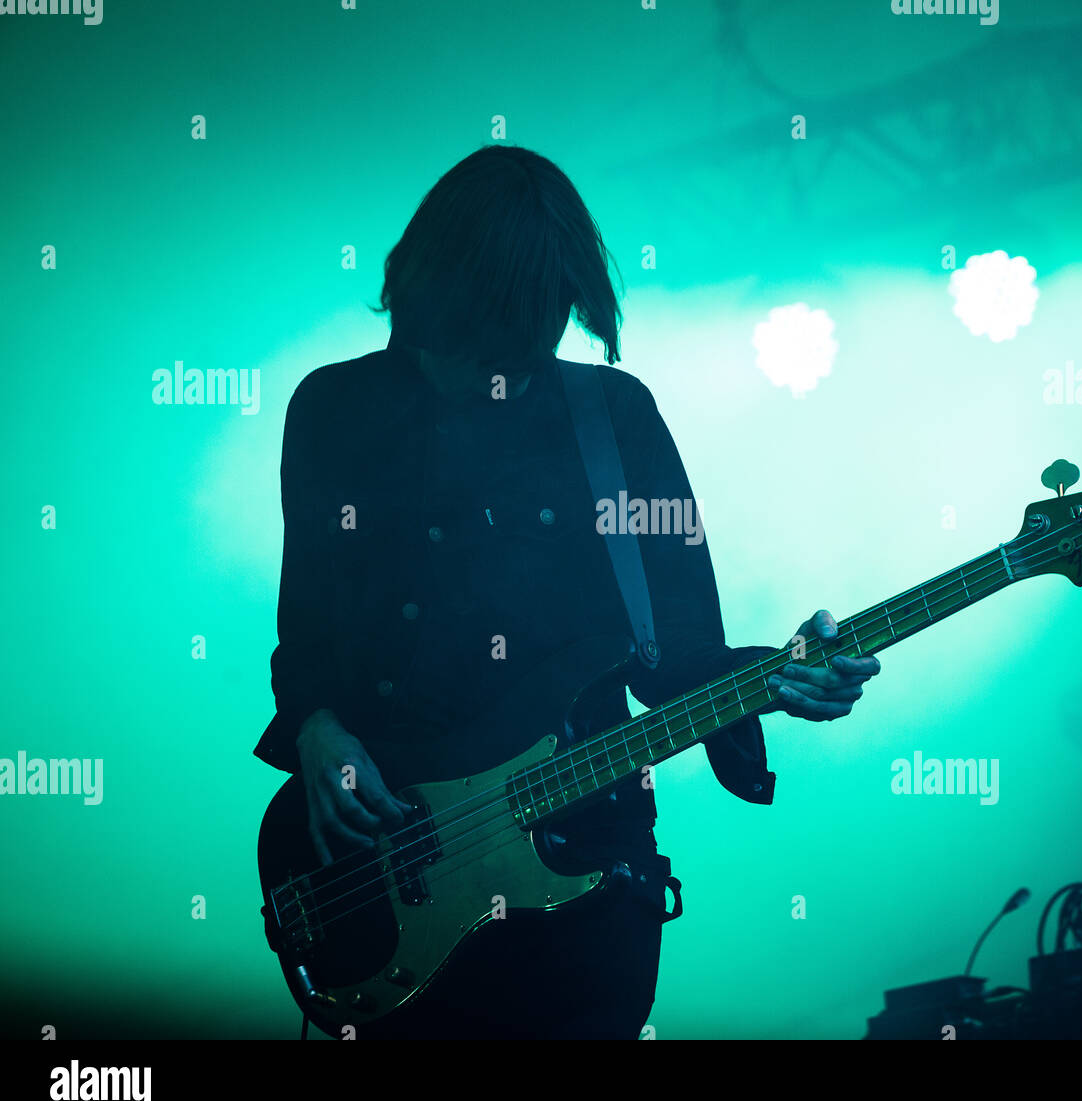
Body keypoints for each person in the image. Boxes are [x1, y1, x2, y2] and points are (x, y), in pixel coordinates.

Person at [254, 144, 880, 1038]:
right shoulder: (333, 410)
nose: (503, 370)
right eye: (480, 340)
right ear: (428, 294)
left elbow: (681, 659)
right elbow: (306, 629)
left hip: (589, 878)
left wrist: (787, 676)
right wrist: (318, 734)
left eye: (535, 335)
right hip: (388, 870)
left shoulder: (614, 419)